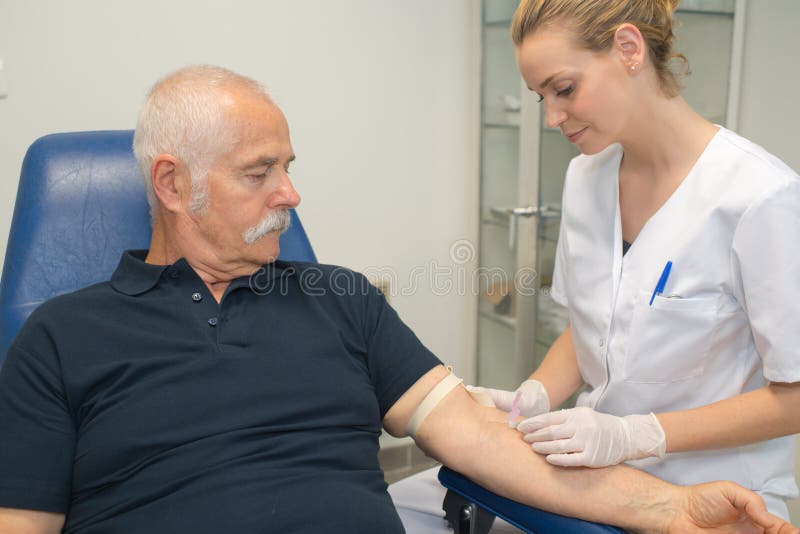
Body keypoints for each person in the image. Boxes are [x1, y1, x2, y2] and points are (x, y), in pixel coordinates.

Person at [0, 65, 795, 534]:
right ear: (172, 183)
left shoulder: (337, 298)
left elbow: (489, 444)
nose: (292, 192)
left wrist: (675, 512)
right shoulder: (62, 337)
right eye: (259, 173)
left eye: (289, 164)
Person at [471, 0, 800, 521]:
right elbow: (593, 328)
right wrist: (533, 395)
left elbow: (795, 395)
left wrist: (639, 434)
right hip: (600, 486)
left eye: (564, 89)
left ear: (628, 49)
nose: (553, 116)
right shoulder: (587, 176)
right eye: (541, 98)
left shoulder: (760, 197)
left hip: (716, 500)